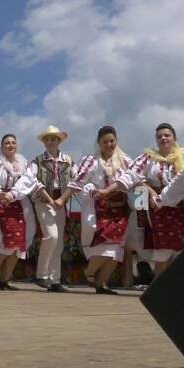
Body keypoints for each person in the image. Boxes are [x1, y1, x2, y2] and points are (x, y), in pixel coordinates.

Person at [104, 123, 184, 274]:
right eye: (159, 136)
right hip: (158, 207)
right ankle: (158, 288)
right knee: (161, 250)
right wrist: (149, 190)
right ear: (156, 140)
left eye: (167, 135)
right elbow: (132, 174)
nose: (163, 138)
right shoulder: (148, 157)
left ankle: (177, 286)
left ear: (174, 138)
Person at [58, 126, 133, 295]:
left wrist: (143, 205)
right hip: (100, 209)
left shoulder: (126, 160)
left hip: (120, 210)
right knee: (104, 247)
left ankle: (101, 284)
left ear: (116, 141)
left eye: (112, 141)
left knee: (116, 250)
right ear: (99, 143)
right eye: (105, 142)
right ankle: (89, 272)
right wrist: (62, 199)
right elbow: (77, 181)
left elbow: (137, 180)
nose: (109, 144)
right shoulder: (91, 160)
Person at [0, 134, 38, 291]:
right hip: (1, 203)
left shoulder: (23, 162)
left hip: (18, 203)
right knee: (8, 239)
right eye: (7, 143)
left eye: (13, 143)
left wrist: (14, 194)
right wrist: (0, 193)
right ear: (2, 146)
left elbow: (29, 182)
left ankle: (5, 279)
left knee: (18, 244)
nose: (10, 145)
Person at [27, 126, 75, 293]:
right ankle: (41, 274)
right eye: (47, 139)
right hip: (44, 200)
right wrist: (50, 199)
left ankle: (55, 279)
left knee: (58, 241)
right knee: (51, 236)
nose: (50, 142)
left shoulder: (68, 160)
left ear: (59, 141)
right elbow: (33, 180)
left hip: (61, 200)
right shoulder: (37, 160)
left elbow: (74, 182)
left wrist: (62, 200)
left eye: (53, 139)